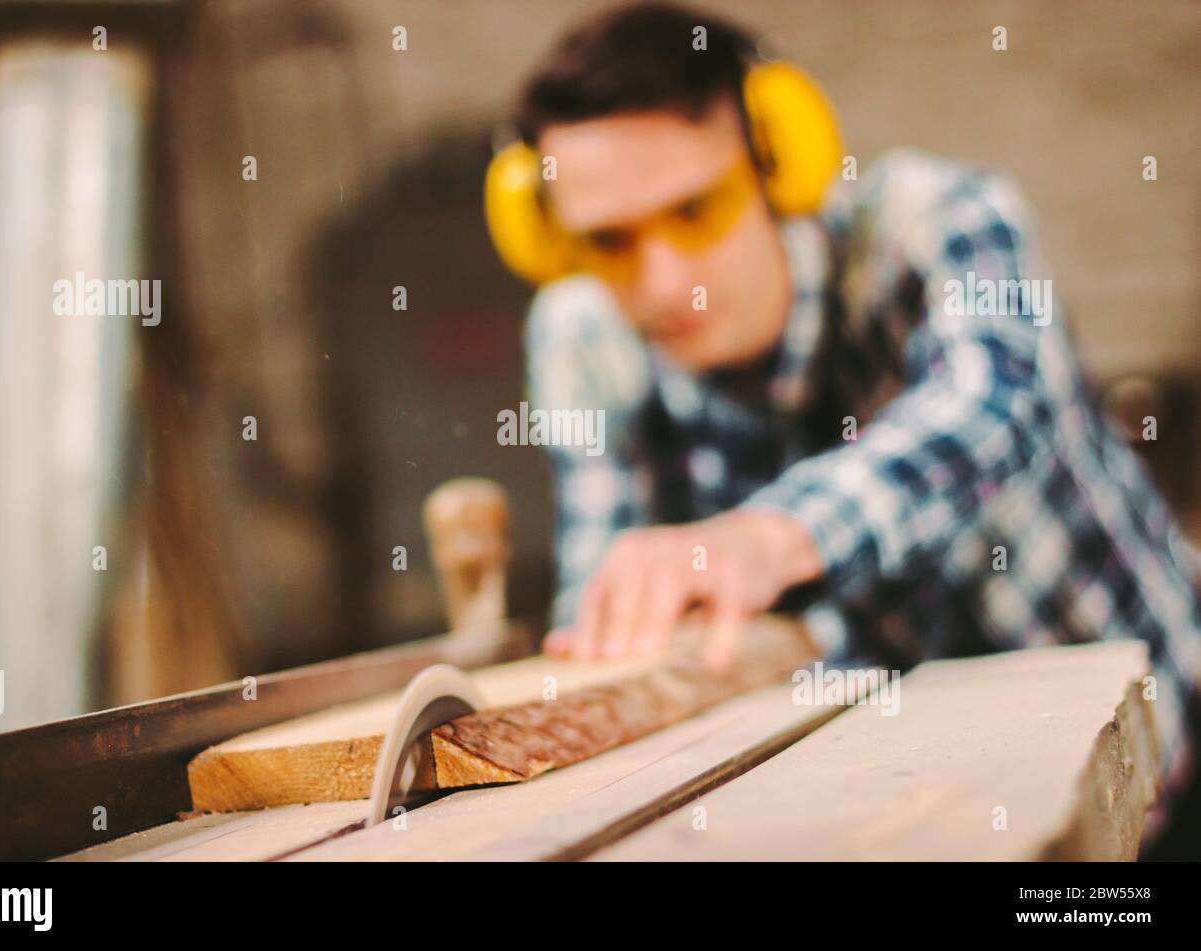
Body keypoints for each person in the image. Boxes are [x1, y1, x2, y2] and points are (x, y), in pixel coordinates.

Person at [483, 2, 1201, 855]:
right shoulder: (585, 334)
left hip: (1164, 769)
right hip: (943, 811)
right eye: (609, 239)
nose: (665, 282)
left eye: (695, 211)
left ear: (780, 159)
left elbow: (992, 405)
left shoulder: (936, 219)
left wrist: (767, 538)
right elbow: (610, 620)